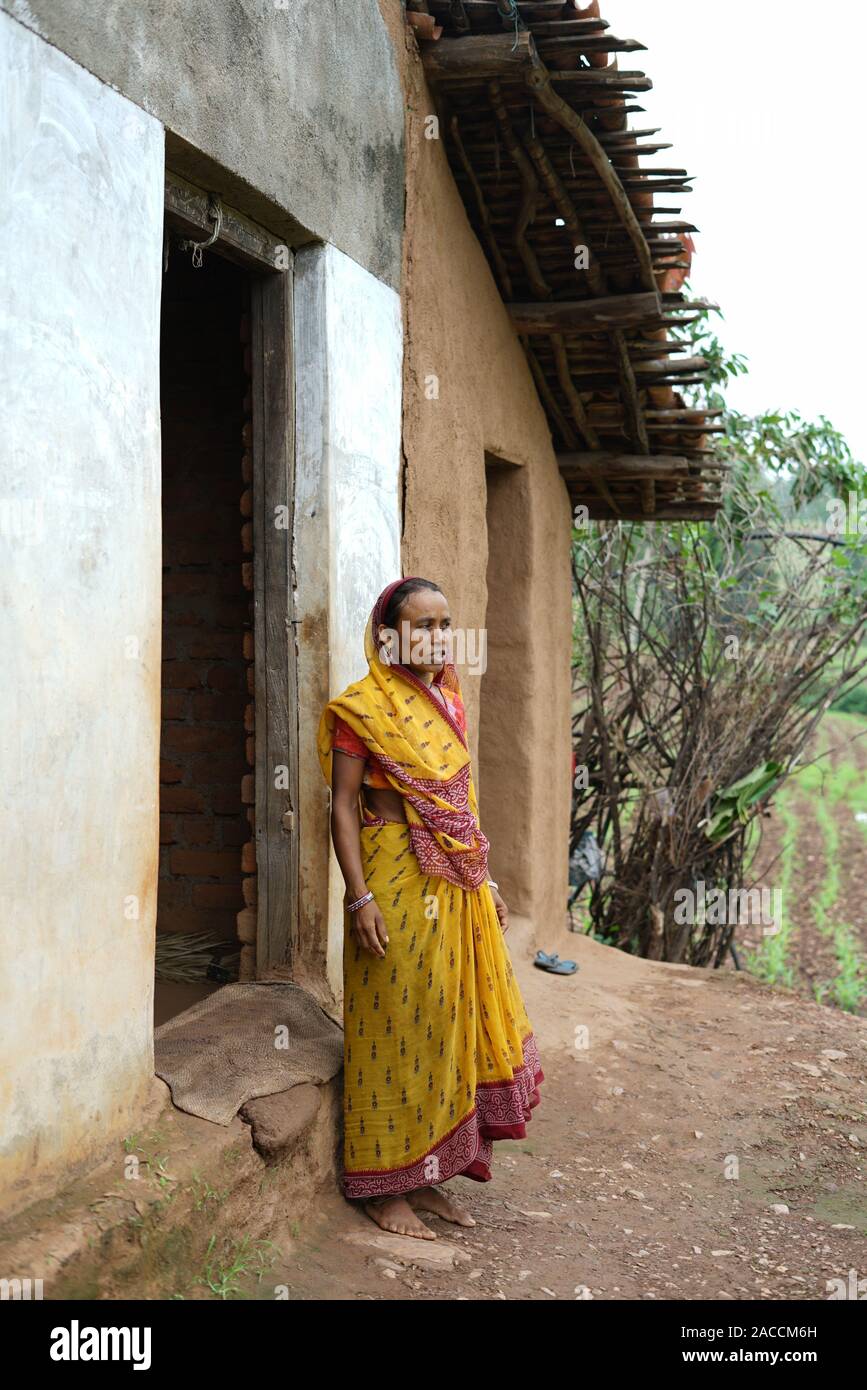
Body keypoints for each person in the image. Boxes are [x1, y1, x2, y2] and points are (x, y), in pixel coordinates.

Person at [316, 575, 544, 1240]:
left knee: (447, 1018)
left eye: (444, 625)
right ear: (388, 635)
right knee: (394, 1022)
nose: (435, 638)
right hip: (391, 877)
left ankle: (430, 1177)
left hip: (454, 885)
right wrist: (358, 896)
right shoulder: (360, 709)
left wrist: (487, 879)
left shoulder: (448, 700)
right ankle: (383, 1188)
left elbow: (459, 802)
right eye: (421, 625)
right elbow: (340, 808)